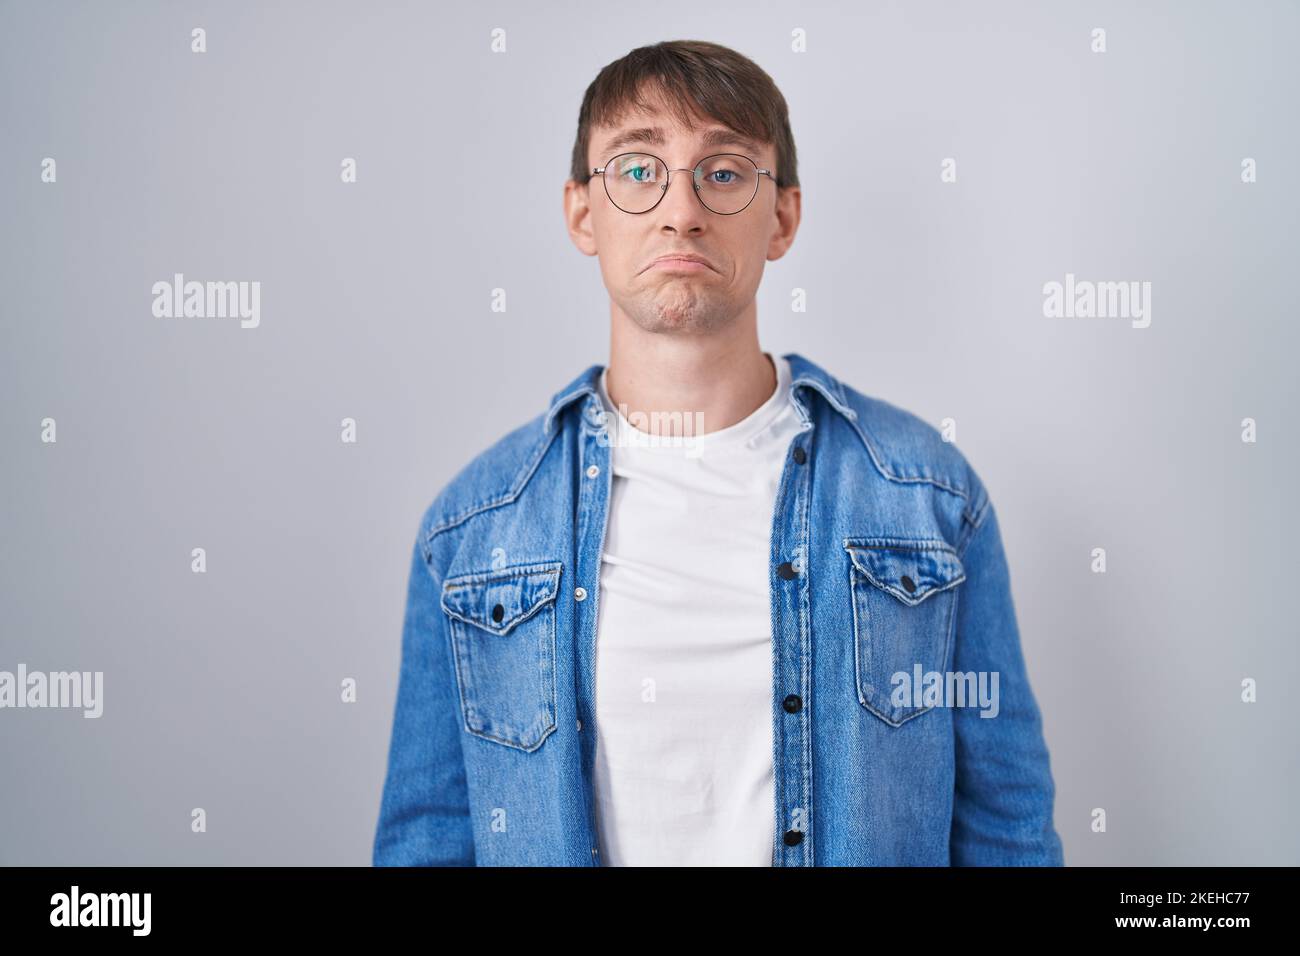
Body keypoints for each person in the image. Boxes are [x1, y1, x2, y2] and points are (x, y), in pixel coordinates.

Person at [373, 39, 1064, 866]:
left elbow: (1007, 827)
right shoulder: (474, 527)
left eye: (725, 172)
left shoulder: (927, 495)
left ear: (784, 217)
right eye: (637, 170)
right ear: (581, 214)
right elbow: (429, 841)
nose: (681, 210)